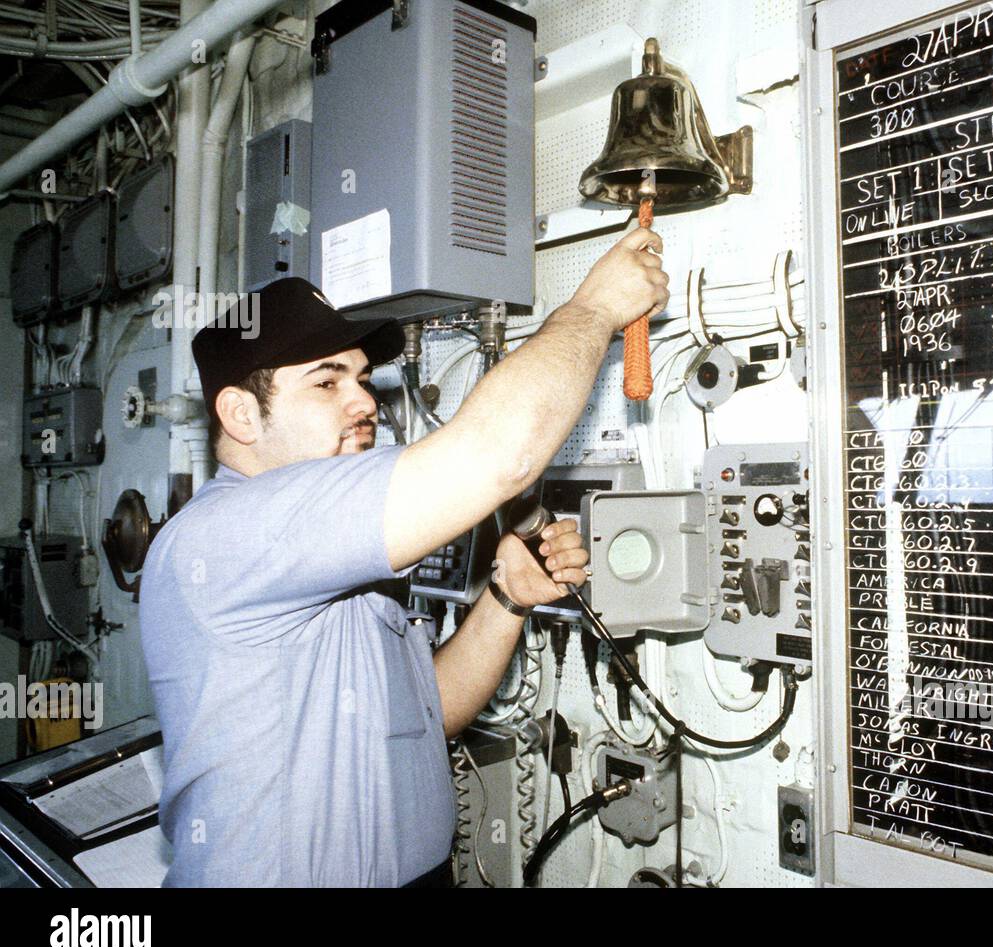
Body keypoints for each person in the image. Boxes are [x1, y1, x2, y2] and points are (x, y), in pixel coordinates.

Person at [139, 226, 669, 886]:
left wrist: (506, 597)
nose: (365, 401)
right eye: (326, 384)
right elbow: (499, 456)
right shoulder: (228, 533)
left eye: (361, 378)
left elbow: (430, 713)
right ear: (241, 416)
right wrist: (592, 309)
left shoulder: (327, 551)